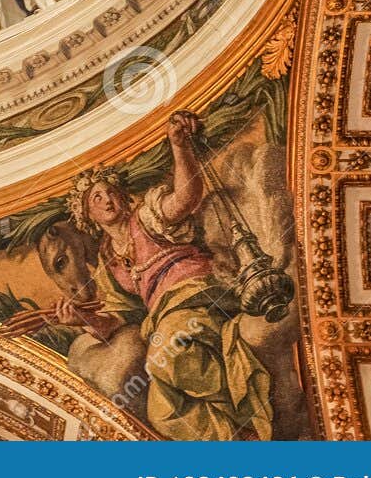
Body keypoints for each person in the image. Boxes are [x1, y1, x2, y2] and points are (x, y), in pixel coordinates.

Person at [52, 111, 274, 440]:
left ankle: (241, 402)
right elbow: (118, 321)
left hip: (196, 295)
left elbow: (186, 197)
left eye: (110, 190)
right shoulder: (108, 262)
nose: (107, 198)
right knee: (162, 412)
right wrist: (82, 321)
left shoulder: (146, 217)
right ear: (88, 215)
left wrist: (179, 147)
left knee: (165, 359)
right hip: (163, 318)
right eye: (96, 197)